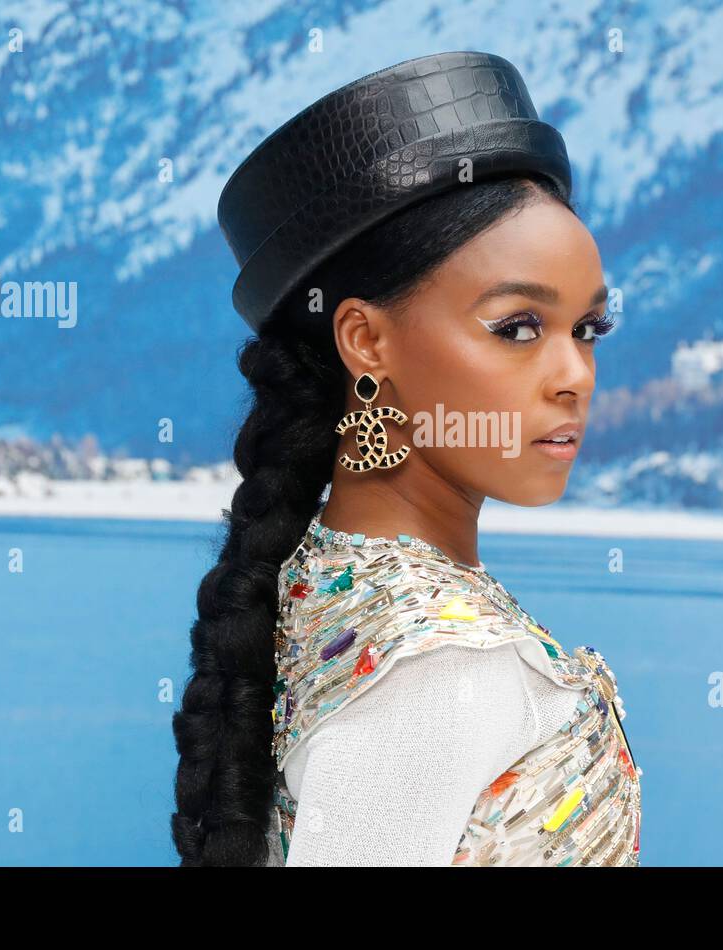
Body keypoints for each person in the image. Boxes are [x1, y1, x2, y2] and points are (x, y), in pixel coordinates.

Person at [171, 51, 641, 866]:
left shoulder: (312, 581)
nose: (574, 377)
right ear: (366, 339)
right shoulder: (443, 669)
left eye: (587, 330)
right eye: (519, 327)